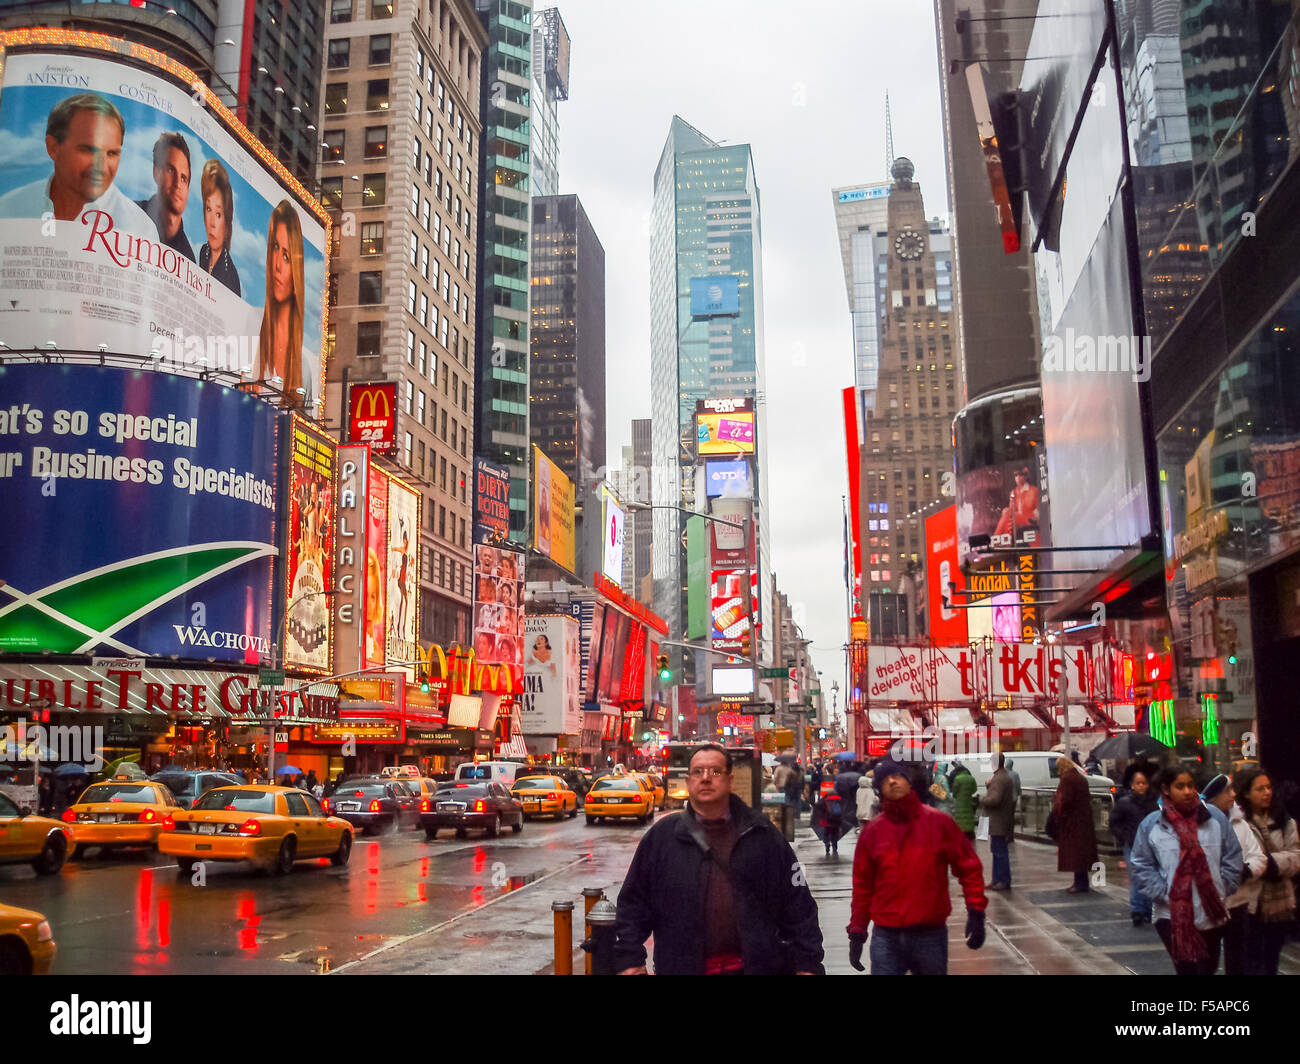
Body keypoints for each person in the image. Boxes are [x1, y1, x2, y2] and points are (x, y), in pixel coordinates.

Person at [612, 744, 824, 975]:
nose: (705, 778)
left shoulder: (762, 834)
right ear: (688, 781)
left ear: (730, 780)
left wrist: (808, 964)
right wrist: (630, 959)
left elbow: (799, 905)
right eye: (697, 772)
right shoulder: (662, 838)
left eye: (715, 771)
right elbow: (632, 904)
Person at [846, 759, 987, 975]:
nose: (892, 782)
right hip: (887, 936)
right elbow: (863, 885)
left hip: (929, 934)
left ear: (908, 781)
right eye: (885, 780)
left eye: (897, 776)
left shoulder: (939, 823)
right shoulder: (873, 832)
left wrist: (976, 910)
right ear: (879, 790)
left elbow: (968, 867)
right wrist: (857, 930)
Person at [1129, 765, 1242, 976]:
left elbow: (1233, 855)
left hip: (1212, 913)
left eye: (1191, 785)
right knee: (1187, 969)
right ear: (1166, 789)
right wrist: (1164, 893)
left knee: (1207, 968)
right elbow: (1141, 865)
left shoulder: (1214, 818)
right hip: (1171, 915)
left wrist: (1223, 885)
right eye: (1180, 786)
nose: (1188, 791)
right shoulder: (1152, 825)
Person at [0, 93, 152, 229]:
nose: (101, 166)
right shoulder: (9, 207)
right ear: (53, 148)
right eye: (88, 150)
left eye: (112, 153)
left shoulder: (139, 228)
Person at [1233, 767, 1300, 975]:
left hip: (1279, 905)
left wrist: (1270, 863)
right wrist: (1256, 865)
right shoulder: (1239, 823)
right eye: (1260, 789)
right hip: (1250, 902)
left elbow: (1296, 856)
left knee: (1271, 959)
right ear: (1246, 793)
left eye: (1269, 788)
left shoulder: (1284, 821)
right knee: (1251, 960)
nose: (1267, 793)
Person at [1203, 774, 1266, 975]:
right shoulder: (1199, 825)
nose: (1233, 794)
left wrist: (1247, 870)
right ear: (1214, 797)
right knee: (1207, 962)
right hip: (1209, 906)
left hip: (1238, 904)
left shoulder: (1241, 824)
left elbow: (1258, 857)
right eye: (1227, 791)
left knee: (1238, 962)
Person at [257, 200, 306, 401]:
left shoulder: (306, 368)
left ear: (296, 270)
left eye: (286, 257)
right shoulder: (251, 330)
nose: (277, 264)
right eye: (275, 247)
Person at [1110, 763, 1160, 924]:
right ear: (1132, 785)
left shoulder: (1153, 803)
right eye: (1138, 783)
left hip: (1150, 846)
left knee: (1149, 877)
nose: (1141, 786)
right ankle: (1137, 909)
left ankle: (1147, 908)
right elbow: (1114, 822)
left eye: (1143, 783)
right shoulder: (1125, 802)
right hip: (1132, 845)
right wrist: (1123, 837)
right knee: (1136, 877)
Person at [136, 132, 194, 260]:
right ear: (156, 173)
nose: (177, 184)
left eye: (183, 178)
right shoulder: (129, 213)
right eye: (170, 170)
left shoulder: (188, 258)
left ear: (188, 190)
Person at [1052, 757, 1098, 893]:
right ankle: (1082, 882)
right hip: (1084, 820)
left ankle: (1079, 883)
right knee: (1082, 854)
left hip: (1072, 821)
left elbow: (1065, 800)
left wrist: (1059, 815)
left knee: (1075, 854)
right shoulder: (1080, 777)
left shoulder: (1067, 779)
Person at [198, 157, 241, 295]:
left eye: (218, 214)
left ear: (227, 220)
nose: (211, 223)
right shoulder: (204, 252)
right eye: (208, 209)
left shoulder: (231, 277)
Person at [980, 753, 1017, 890]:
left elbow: (995, 800)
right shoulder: (1002, 776)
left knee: (999, 852)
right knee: (997, 851)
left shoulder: (999, 779)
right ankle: (997, 879)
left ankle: (1002, 880)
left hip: (998, 820)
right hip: (1002, 819)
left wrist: (981, 799)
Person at [949, 760, 978, 840]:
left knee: (961, 819)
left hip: (960, 803)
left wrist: (957, 796)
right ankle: (970, 834)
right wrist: (968, 794)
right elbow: (974, 790)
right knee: (969, 817)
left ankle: (962, 834)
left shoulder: (957, 779)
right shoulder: (971, 778)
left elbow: (954, 791)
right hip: (968, 802)